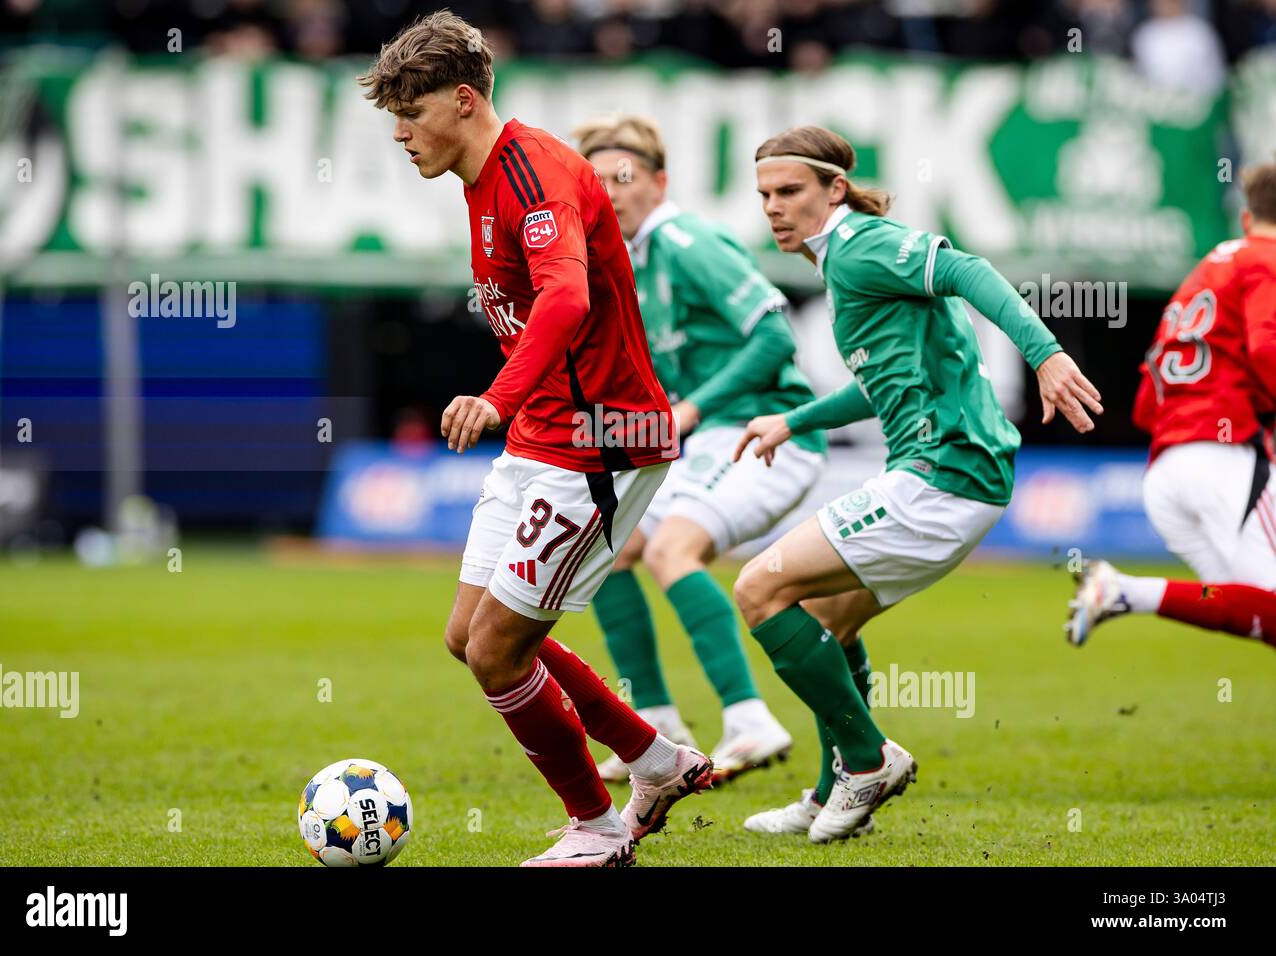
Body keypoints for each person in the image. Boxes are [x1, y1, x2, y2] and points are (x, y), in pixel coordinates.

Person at [359, 10, 712, 867]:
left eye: (412, 111)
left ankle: (596, 831)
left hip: (601, 442)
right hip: (546, 437)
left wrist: (498, 396)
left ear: (465, 99)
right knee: (468, 636)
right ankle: (657, 761)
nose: (401, 134)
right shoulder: (478, 181)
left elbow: (565, 300)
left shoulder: (535, 173)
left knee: (494, 651)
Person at [732, 125, 1101, 842]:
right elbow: (886, 386)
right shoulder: (844, 266)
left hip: (944, 473)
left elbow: (969, 271)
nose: (773, 208)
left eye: (789, 191)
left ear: (834, 189)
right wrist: (794, 420)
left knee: (758, 589)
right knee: (827, 620)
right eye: (765, 195)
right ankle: (830, 791)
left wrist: (1047, 355)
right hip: (952, 476)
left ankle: (866, 760)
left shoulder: (865, 245)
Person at [573, 114, 838, 785]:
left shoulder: (686, 240)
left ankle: (750, 719)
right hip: (714, 439)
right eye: (595, 180)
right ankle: (656, 726)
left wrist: (690, 408)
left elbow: (776, 334)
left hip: (767, 430)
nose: (608, 191)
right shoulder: (629, 262)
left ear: (658, 182)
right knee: (607, 554)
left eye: (621, 177)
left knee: (670, 550)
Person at [1068, 158, 1276, 653]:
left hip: (1167, 471)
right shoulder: (1266, 262)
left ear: (1246, 218)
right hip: (1223, 458)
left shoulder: (1204, 273)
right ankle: (1126, 591)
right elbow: (1268, 348)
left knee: (1258, 613)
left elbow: (1145, 403)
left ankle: (1127, 593)